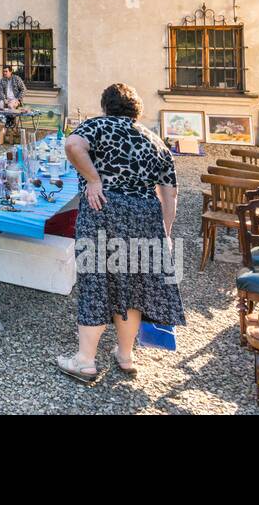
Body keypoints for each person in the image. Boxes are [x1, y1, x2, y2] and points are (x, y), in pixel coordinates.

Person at [56, 83, 183, 383]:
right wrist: (165, 231)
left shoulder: (98, 125)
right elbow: (170, 194)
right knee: (132, 287)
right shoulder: (156, 141)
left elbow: (73, 145)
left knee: (97, 282)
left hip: (104, 213)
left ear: (106, 106)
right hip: (144, 219)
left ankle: (85, 361)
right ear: (137, 110)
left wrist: (94, 180)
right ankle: (125, 356)